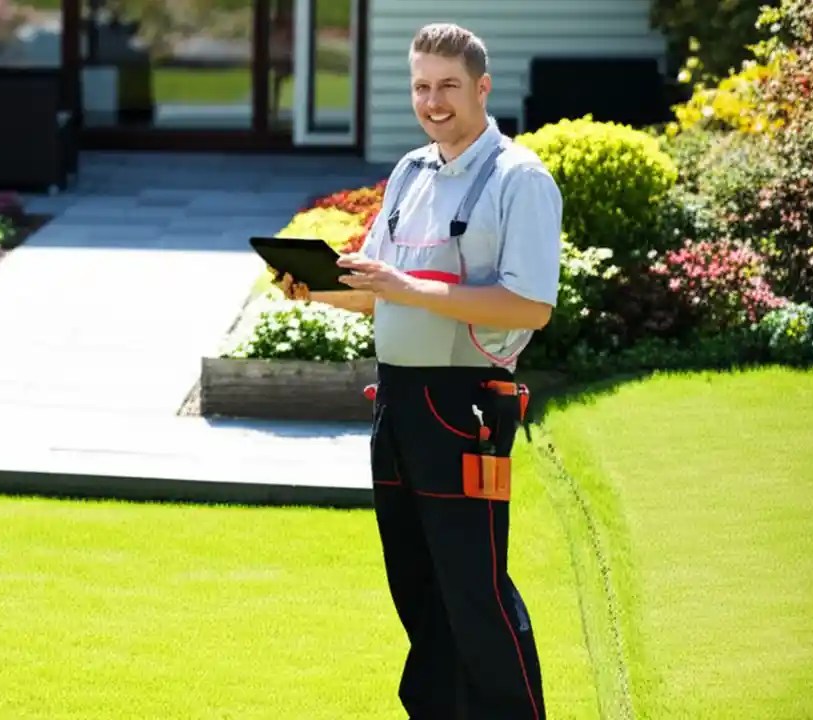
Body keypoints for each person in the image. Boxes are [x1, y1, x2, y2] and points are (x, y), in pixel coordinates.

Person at [274, 22, 562, 720]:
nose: (434, 102)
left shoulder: (520, 180)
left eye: (449, 87)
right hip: (397, 404)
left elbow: (530, 306)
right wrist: (318, 290)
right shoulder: (410, 171)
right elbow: (377, 288)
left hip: (464, 409)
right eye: (422, 87)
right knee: (417, 584)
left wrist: (405, 288)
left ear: (483, 88)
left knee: (475, 587)